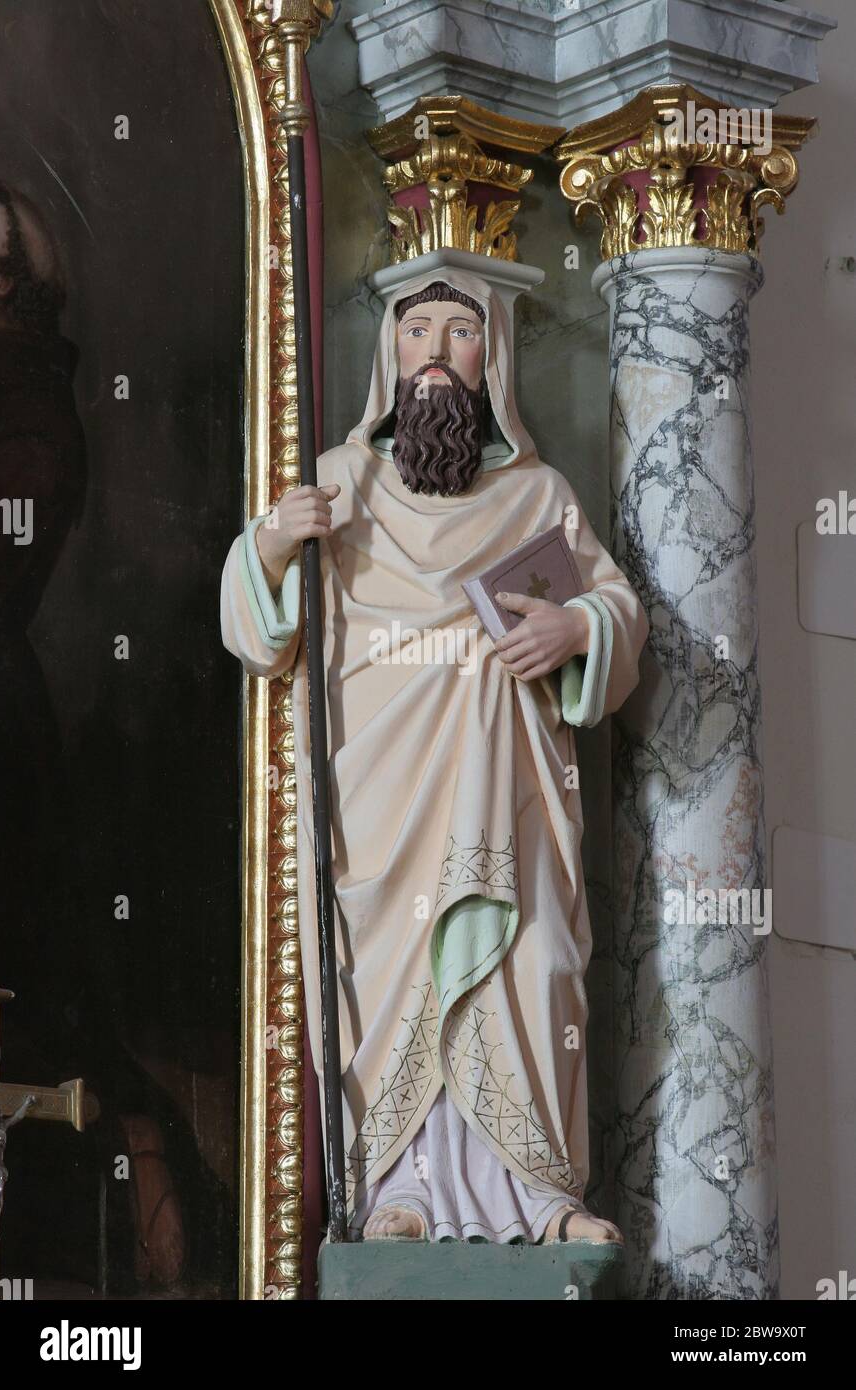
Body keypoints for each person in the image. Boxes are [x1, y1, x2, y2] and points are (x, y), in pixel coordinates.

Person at [221, 267, 649, 1244]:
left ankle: (540, 1195)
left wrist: (574, 627)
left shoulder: (537, 495)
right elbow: (255, 633)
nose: (434, 353)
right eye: (417, 331)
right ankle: (397, 1186)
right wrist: (275, 545)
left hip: (511, 798)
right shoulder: (339, 482)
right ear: (389, 352)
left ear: (489, 357)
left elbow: (617, 610)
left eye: (459, 333)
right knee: (394, 978)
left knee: (528, 962)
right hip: (381, 798)